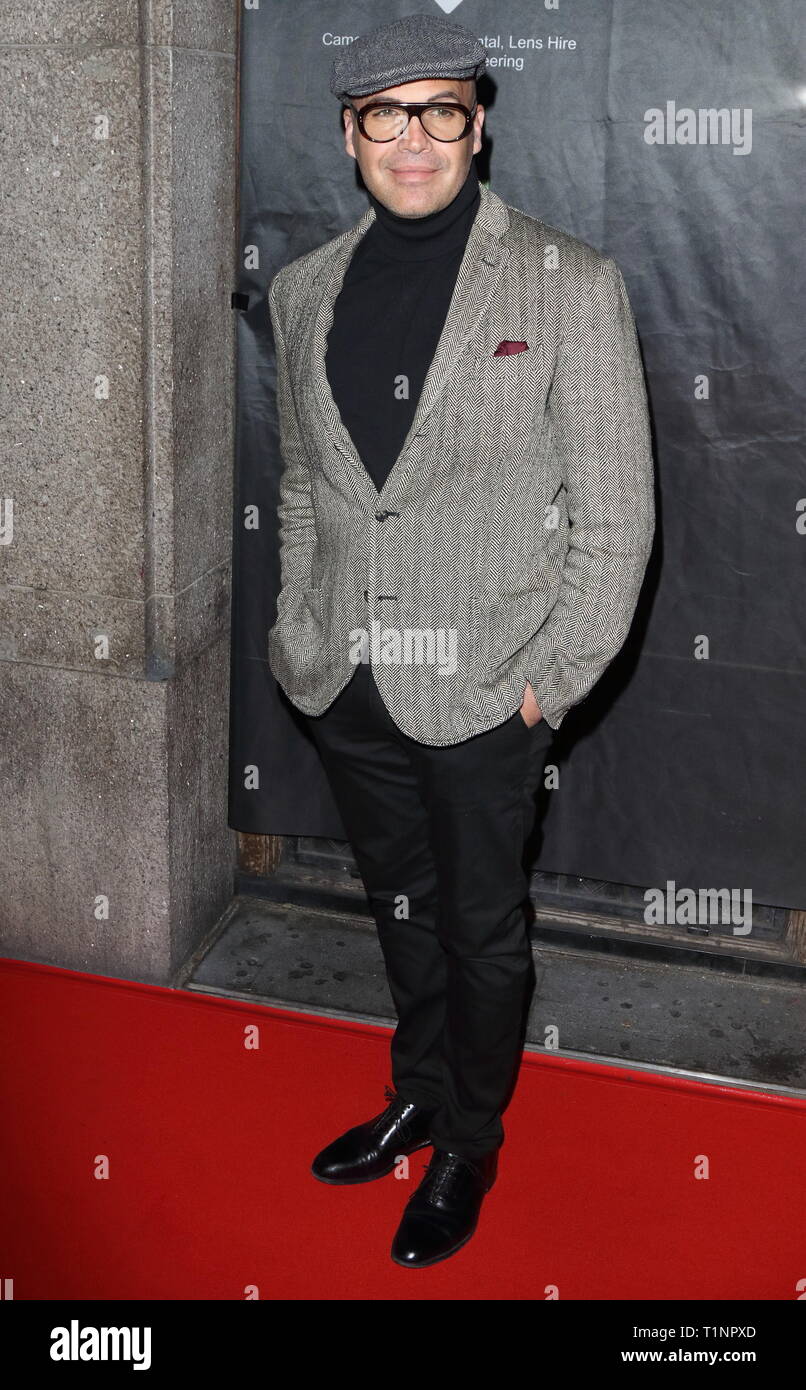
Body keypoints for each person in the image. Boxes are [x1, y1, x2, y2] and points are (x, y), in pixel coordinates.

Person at [266, 10, 654, 1269]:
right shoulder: (304, 287)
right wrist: (297, 632)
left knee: (482, 928)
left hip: (490, 692)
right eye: (386, 113)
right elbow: (311, 485)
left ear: (478, 127)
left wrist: (546, 685)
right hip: (349, 679)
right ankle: (418, 1090)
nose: (414, 137)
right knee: (400, 909)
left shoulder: (567, 282)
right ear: (349, 134)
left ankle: (469, 1146)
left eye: (441, 110)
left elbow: (617, 519)